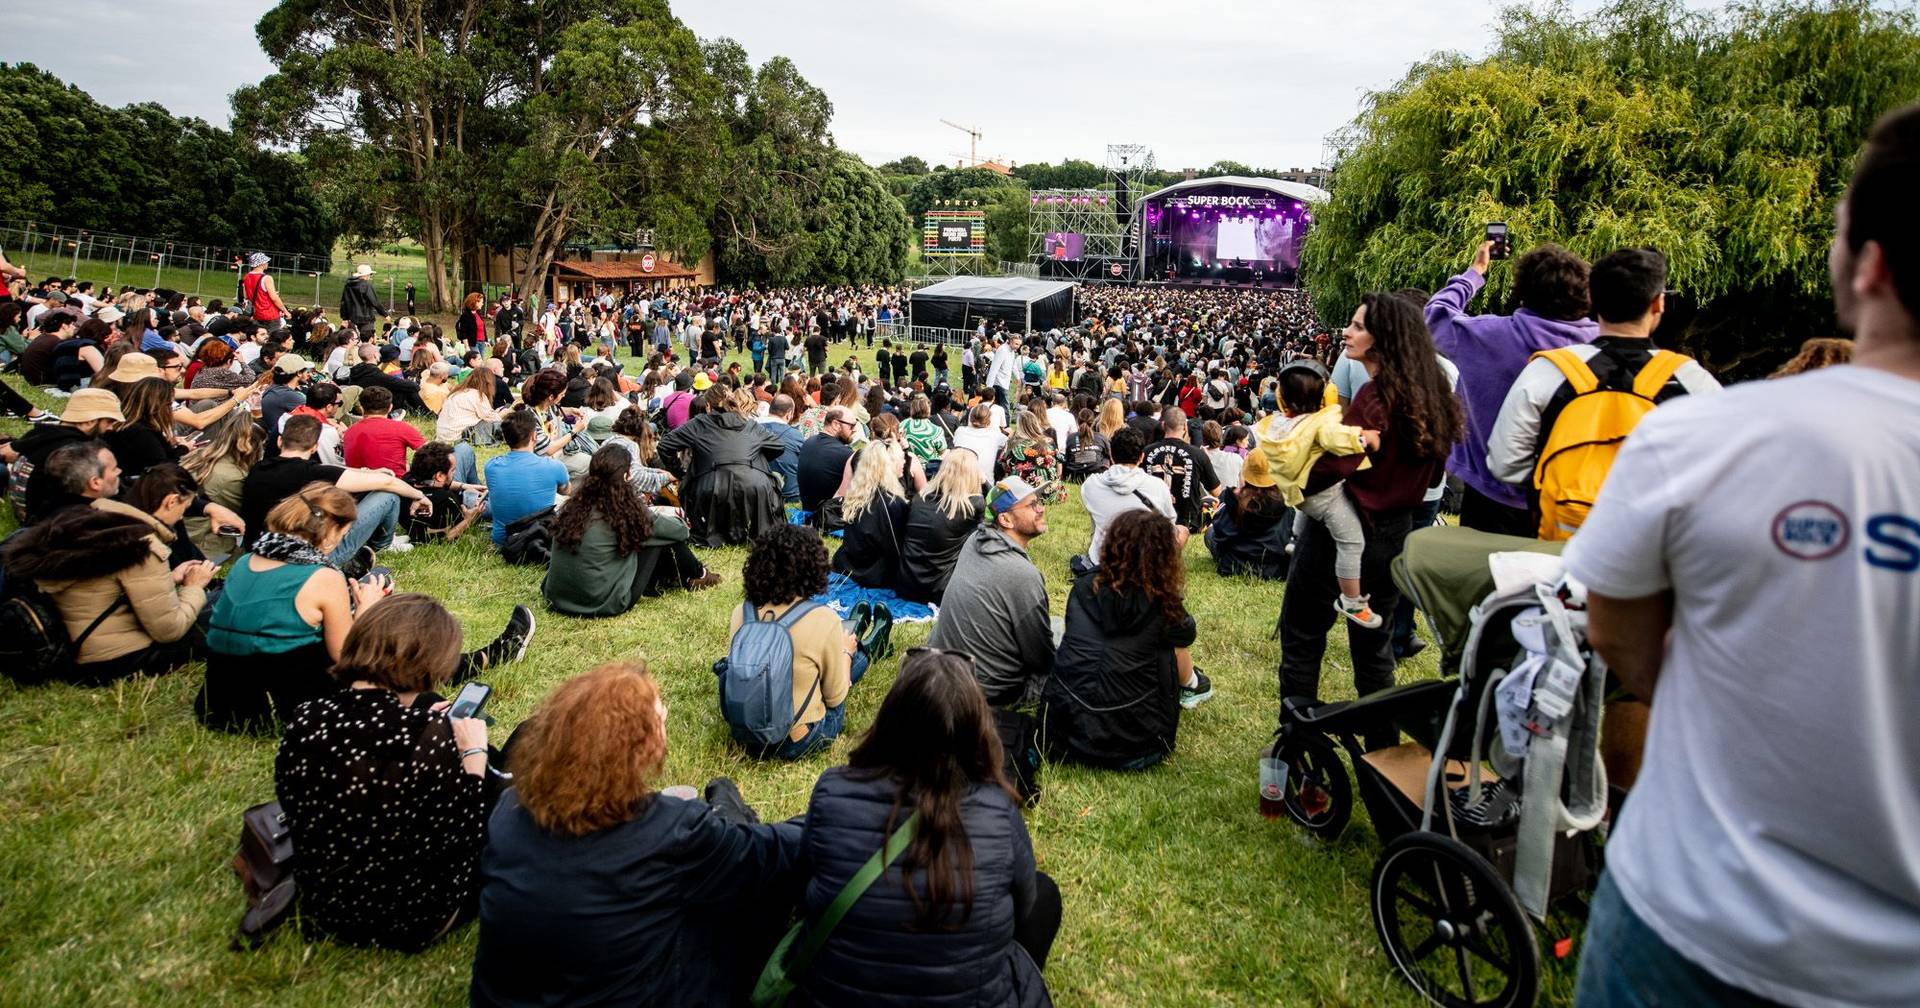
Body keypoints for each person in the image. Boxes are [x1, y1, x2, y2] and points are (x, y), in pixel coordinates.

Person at [1572, 103, 1920, 1006]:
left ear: (1866, 263)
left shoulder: (1706, 435)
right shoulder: (1690, 397)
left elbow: (1621, 638)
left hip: (1691, 920)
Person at [471, 663, 804, 1008]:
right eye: (658, 719)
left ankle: (728, 808)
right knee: (753, 895)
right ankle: (730, 811)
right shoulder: (670, 829)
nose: (666, 715)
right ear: (638, 749)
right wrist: (834, 808)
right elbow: (773, 853)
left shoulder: (509, 811)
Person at [788, 648, 1059, 1007]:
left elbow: (804, 884)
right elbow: (1025, 905)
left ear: (890, 719)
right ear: (977, 730)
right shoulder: (998, 811)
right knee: (1044, 895)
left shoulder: (833, 791)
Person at [1277, 293, 1461, 751]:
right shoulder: (1433, 395)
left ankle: (1298, 740)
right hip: (1395, 532)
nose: (1347, 333)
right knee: (1374, 644)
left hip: (1342, 531)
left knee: (1303, 633)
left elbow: (1334, 466)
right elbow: (1436, 475)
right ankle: (1384, 747)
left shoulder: (1374, 399)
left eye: (1358, 326)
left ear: (1384, 339)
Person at [273, 594, 490, 952]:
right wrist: (473, 757)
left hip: (321, 905)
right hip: (409, 919)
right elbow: (462, 840)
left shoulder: (306, 716)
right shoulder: (426, 737)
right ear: (429, 663)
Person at [1486, 247, 1722, 538]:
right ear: (1658, 304)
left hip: (1563, 535)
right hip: (1654, 544)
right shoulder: (1692, 382)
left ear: (1592, 301)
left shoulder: (1549, 370)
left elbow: (1504, 464)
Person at [1424, 241, 1597, 535]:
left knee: (1485, 577)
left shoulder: (1487, 336)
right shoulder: (1600, 348)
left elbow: (1435, 316)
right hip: (1571, 496)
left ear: (1521, 291)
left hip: (1489, 493)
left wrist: (1475, 271)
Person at [1, 469, 213, 684]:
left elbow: (106, 587)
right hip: (114, 660)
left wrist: (170, 577)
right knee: (215, 614)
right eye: (183, 509)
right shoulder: (142, 545)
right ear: (171, 501)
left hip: (73, 642)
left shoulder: (92, 522)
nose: (181, 517)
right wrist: (194, 587)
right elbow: (169, 630)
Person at [1043, 509, 1205, 770]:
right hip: (1136, 745)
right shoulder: (1163, 604)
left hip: (1066, 734)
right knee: (1170, 646)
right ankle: (1195, 685)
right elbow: (1186, 635)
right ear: (1164, 556)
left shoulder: (1083, 587)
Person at [926, 477, 1055, 798]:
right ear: (1006, 519)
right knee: (1063, 635)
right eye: (1032, 505)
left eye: (1040, 502)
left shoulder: (975, 542)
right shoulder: (1021, 575)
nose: (1041, 509)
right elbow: (1040, 657)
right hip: (992, 691)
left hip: (943, 674)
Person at [725, 525, 871, 759]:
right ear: (814, 568)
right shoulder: (824, 618)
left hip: (747, 735)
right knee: (858, 657)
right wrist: (845, 653)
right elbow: (836, 696)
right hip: (798, 740)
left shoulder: (742, 612)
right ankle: (859, 645)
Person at [1257, 362, 1382, 626]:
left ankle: (1296, 537)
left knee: (1306, 511)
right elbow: (1339, 440)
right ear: (1328, 396)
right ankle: (1351, 600)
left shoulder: (1277, 425)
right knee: (1351, 541)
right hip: (1325, 496)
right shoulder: (1321, 423)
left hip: (1298, 491)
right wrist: (1365, 437)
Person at [543, 444, 721, 616]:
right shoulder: (626, 511)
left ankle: (684, 577)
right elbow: (680, 531)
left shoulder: (573, 508)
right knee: (661, 536)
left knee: (645, 534)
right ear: (627, 476)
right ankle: (700, 574)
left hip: (556, 597)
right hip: (603, 602)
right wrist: (656, 516)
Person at [241, 414, 431, 564]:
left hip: (258, 551)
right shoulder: (310, 473)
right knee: (388, 495)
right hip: (309, 556)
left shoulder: (258, 468)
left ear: (280, 441)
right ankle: (383, 545)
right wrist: (419, 495)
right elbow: (387, 483)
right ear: (315, 447)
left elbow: (333, 471)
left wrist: (366, 472)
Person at [656, 387, 785, 547]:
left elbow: (664, 445)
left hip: (711, 486)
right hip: (750, 486)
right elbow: (779, 446)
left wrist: (681, 473)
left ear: (708, 405)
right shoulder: (750, 425)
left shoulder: (700, 423)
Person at [10, 389, 124, 524]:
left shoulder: (40, 436)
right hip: (52, 524)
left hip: (27, 515)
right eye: (109, 422)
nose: (111, 428)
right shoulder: (76, 452)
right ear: (89, 422)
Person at [897, 448, 986, 605]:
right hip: (939, 590)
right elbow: (1002, 511)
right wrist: (985, 483)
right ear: (973, 474)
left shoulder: (920, 498)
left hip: (906, 584)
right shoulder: (973, 505)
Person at [1080, 426, 1179, 565]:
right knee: (1182, 530)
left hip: (1103, 560)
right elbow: (1170, 526)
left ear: (1112, 456)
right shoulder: (1158, 486)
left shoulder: (1091, 484)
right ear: (1141, 457)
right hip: (1144, 563)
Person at [830, 441, 912, 590]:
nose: (905, 461)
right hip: (873, 575)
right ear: (889, 464)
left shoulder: (859, 492)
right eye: (902, 458)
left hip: (848, 564)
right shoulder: (891, 503)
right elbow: (898, 549)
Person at [1203, 448, 1294, 580]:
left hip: (1233, 564)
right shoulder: (1286, 506)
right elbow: (1289, 541)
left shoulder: (1231, 499)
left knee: (1209, 533)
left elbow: (1220, 533)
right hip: (1273, 569)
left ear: (1245, 473)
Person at [484, 410, 571, 549]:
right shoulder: (554, 466)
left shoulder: (491, 466)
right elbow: (566, 491)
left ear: (506, 438)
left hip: (503, 540)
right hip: (540, 537)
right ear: (534, 436)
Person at [1141, 407, 1220, 533]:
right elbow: (1216, 491)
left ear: (1163, 425)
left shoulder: (1146, 452)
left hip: (1153, 519)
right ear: (1185, 427)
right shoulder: (1198, 454)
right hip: (1189, 522)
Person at [341, 386, 427, 477]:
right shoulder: (401, 428)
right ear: (390, 407)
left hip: (356, 484)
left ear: (361, 408)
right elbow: (432, 453)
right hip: (395, 483)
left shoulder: (350, 431)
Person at [796, 406, 857, 513]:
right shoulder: (846, 455)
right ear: (836, 424)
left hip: (807, 512)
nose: (855, 430)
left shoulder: (808, 443)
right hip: (829, 520)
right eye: (852, 426)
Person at [998, 410, 1064, 504]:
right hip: (1052, 493)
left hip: (1022, 494)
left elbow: (1005, 467)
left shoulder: (1012, 444)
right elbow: (1059, 467)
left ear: (1019, 426)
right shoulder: (1049, 441)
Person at [951, 403, 1007, 474]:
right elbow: (1007, 444)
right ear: (989, 421)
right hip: (984, 481)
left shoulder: (960, 430)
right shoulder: (996, 436)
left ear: (970, 418)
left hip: (959, 475)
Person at [240, 252, 288, 331]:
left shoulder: (247, 276)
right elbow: (274, 298)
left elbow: (246, 295)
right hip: (270, 314)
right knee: (273, 339)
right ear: (261, 263)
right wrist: (285, 311)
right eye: (266, 261)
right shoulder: (266, 278)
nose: (267, 263)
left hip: (256, 314)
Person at [339, 263, 386, 339]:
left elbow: (344, 302)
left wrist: (345, 317)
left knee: (353, 339)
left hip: (352, 317)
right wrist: (384, 314)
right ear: (365, 275)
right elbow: (374, 301)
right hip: (366, 317)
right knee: (366, 339)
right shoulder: (366, 285)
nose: (370, 276)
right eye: (369, 274)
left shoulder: (348, 285)